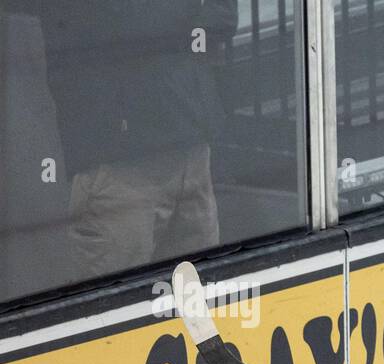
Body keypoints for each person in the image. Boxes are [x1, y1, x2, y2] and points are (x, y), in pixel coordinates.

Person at [39, 0, 238, 281]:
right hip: (119, 167)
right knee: (115, 311)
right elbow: (129, 25)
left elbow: (223, 17)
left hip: (190, 153)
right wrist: (188, 19)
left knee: (197, 307)